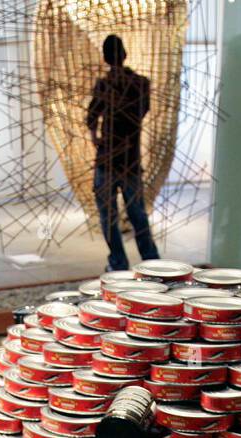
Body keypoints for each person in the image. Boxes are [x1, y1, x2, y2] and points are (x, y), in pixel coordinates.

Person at [86, 34, 160, 272]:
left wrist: (96, 137)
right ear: (125, 54)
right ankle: (152, 263)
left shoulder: (104, 84)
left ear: (105, 57)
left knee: (109, 218)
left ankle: (119, 264)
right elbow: (141, 112)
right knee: (137, 215)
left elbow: (91, 117)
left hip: (108, 160)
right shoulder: (141, 83)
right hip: (129, 160)